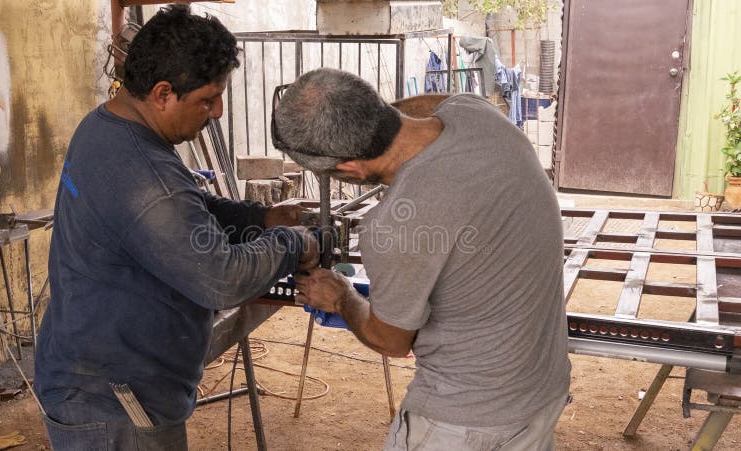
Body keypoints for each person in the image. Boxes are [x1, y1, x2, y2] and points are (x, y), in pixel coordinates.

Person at [34, 5, 318, 450]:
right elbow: (221, 279)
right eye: (207, 99)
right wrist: (293, 241)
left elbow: (182, 205)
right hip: (113, 403)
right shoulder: (144, 171)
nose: (218, 112)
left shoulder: (106, 126)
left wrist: (258, 218)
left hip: (89, 373)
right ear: (163, 93)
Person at [272, 68, 571, 450]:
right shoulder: (481, 116)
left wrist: (341, 297)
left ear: (350, 168)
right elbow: (436, 103)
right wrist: (362, 118)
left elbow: (391, 340)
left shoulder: (394, 227)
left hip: (463, 421)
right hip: (541, 393)